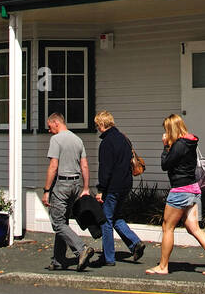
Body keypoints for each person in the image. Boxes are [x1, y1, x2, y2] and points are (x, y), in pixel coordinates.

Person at [146, 114, 205, 276]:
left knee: (168, 227)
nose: (165, 133)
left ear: (171, 129)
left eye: (167, 129)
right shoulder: (190, 142)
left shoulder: (179, 145)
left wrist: (166, 146)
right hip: (194, 189)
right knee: (194, 228)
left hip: (180, 191)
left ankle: (163, 266)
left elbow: (165, 165)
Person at [41, 112, 95, 271]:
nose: (49, 130)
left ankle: (81, 249)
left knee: (57, 223)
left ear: (56, 122)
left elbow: (53, 166)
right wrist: (85, 188)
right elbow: (84, 165)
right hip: (76, 185)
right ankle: (58, 261)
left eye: (50, 126)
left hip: (62, 184)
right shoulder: (78, 140)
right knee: (63, 221)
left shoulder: (56, 140)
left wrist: (46, 190)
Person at [93, 111, 144, 265]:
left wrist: (101, 190)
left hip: (113, 187)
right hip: (126, 184)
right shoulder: (123, 138)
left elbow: (105, 169)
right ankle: (134, 243)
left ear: (102, 125)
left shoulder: (106, 143)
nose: (96, 128)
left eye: (97, 125)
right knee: (116, 217)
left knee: (106, 221)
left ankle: (108, 257)